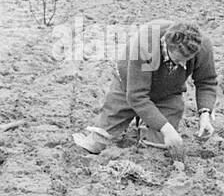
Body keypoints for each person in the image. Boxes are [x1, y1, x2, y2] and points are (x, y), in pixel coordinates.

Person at [73, 19, 216, 158]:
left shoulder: (202, 46)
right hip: (129, 86)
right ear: (167, 45)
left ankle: (148, 123)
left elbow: (206, 81)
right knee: (97, 143)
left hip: (168, 91)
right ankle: (133, 117)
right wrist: (168, 130)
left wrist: (205, 113)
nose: (183, 64)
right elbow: (137, 96)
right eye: (178, 60)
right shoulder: (145, 44)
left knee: (157, 147)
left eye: (188, 59)